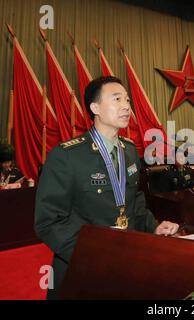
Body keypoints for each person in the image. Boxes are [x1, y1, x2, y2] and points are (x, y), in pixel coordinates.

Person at [34, 76, 179, 300]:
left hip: (126, 263)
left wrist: (153, 227)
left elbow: (134, 202)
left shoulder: (129, 151)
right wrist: (95, 255)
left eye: (128, 100)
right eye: (117, 99)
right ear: (95, 108)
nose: (126, 106)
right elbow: (49, 221)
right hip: (82, 270)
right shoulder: (66, 156)